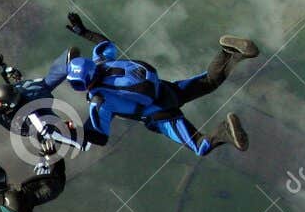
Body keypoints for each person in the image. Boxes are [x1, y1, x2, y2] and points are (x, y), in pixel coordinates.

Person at [63, 10, 259, 154]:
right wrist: (83, 31)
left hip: (160, 115)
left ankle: (225, 131)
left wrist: (72, 131)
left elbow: (100, 137)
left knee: (199, 145)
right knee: (208, 82)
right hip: (165, 89)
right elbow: (104, 42)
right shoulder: (102, 61)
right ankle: (229, 53)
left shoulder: (99, 102)